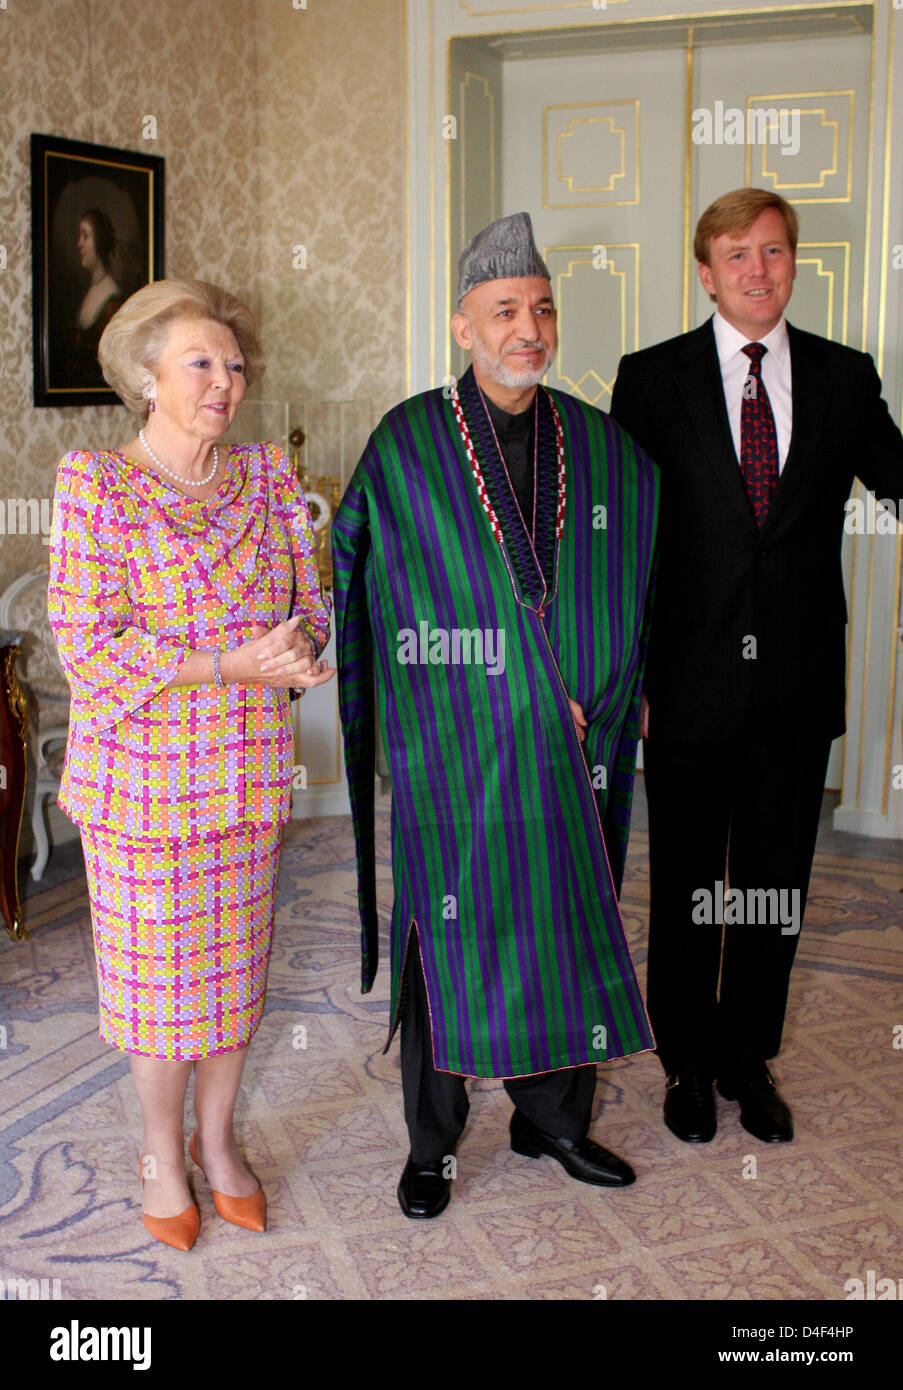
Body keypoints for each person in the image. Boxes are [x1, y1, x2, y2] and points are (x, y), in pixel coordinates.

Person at [332, 212, 659, 1219]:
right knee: (448, 930)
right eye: (506, 310)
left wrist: (599, 693)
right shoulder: (409, 446)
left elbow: (629, 590)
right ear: (463, 326)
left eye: (544, 309)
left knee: (562, 920)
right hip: (457, 756)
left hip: (574, 743)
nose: (531, 328)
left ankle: (551, 1118)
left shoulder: (604, 451)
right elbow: (371, 582)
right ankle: (432, 1143)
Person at [610, 187, 903, 1146]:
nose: (756, 272)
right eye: (736, 255)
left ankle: (747, 1057)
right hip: (685, 682)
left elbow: (896, 481)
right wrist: (629, 674)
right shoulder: (649, 379)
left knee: (774, 884)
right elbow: (623, 544)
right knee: (692, 880)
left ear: (793, 263)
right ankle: (686, 1064)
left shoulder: (844, 377)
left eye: (772, 253)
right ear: (705, 272)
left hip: (795, 679)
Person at [47, 278, 334, 1250]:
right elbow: (89, 646)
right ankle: (162, 1155)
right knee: (161, 994)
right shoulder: (95, 486)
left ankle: (218, 1146)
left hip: (245, 781)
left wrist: (304, 648)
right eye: (202, 362)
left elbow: (314, 606)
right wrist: (228, 663)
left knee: (231, 986)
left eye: (236, 364)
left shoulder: (264, 480)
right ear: (145, 375)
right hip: (142, 794)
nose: (226, 381)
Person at [68, 209, 123, 388]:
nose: (79, 243)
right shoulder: (92, 290)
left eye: (85, 236)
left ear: (99, 241)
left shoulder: (110, 300)